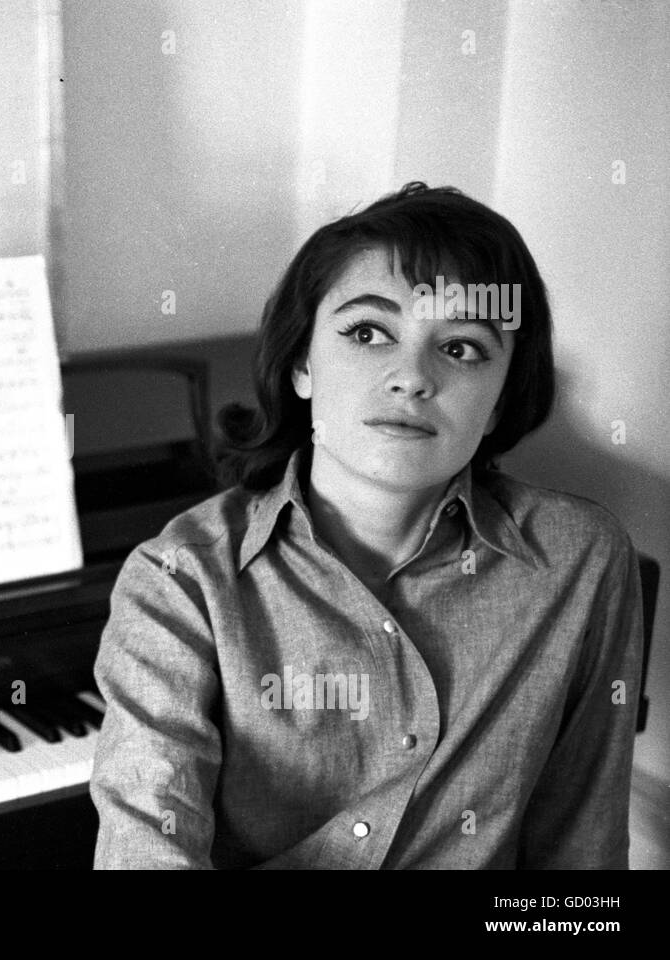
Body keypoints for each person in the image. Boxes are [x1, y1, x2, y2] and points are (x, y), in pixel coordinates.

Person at [90, 182, 645, 869]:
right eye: (367, 333)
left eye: (463, 347)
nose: (411, 376)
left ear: (502, 398)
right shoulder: (181, 577)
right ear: (301, 364)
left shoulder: (580, 559)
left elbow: (580, 866)